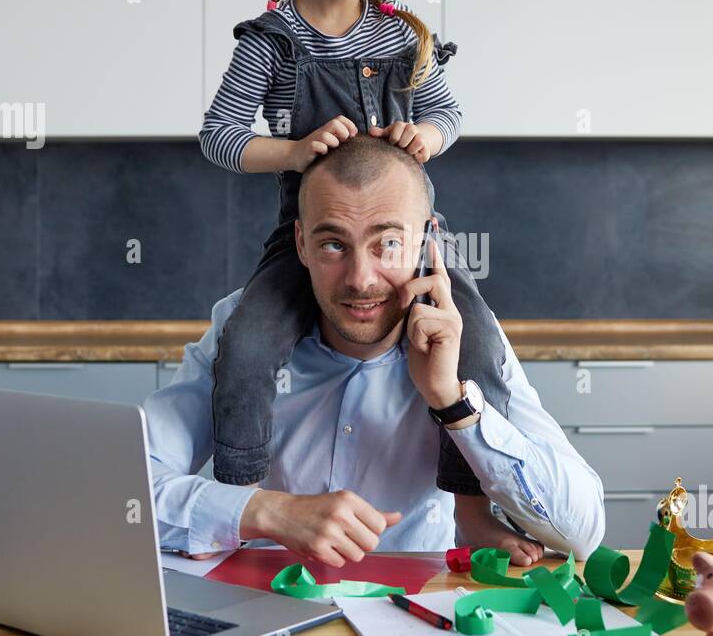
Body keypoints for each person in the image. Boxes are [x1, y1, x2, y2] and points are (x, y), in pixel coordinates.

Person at [196, 0, 511, 540]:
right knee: (246, 347)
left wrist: (424, 140)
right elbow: (219, 135)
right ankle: (239, 507)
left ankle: (469, 507)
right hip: (311, 240)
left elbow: (449, 116)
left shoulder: (402, 36)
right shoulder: (270, 43)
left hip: (413, 243)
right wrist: (295, 149)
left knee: (481, 346)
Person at [146, 136, 606, 567]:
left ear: (426, 242)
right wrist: (266, 511)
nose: (361, 278)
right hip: (268, 617)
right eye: (333, 245)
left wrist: (454, 403)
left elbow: (582, 532)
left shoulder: (468, 340)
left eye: (387, 243)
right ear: (301, 244)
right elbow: (122, 495)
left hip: (422, 623)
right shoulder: (242, 331)